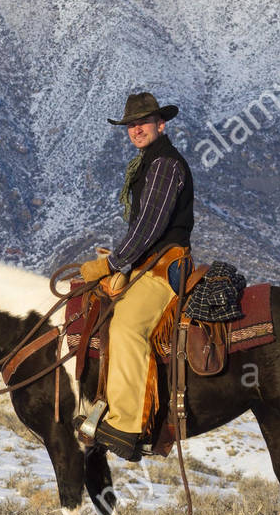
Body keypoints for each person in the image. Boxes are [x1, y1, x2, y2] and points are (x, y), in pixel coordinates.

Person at [78, 91, 194, 460]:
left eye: (143, 123)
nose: (136, 129)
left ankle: (127, 426)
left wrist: (113, 265)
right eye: (131, 125)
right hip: (148, 263)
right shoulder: (147, 162)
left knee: (127, 324)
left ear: (161, 125)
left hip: (166, 264)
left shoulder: (163, 165)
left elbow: (148, 226)